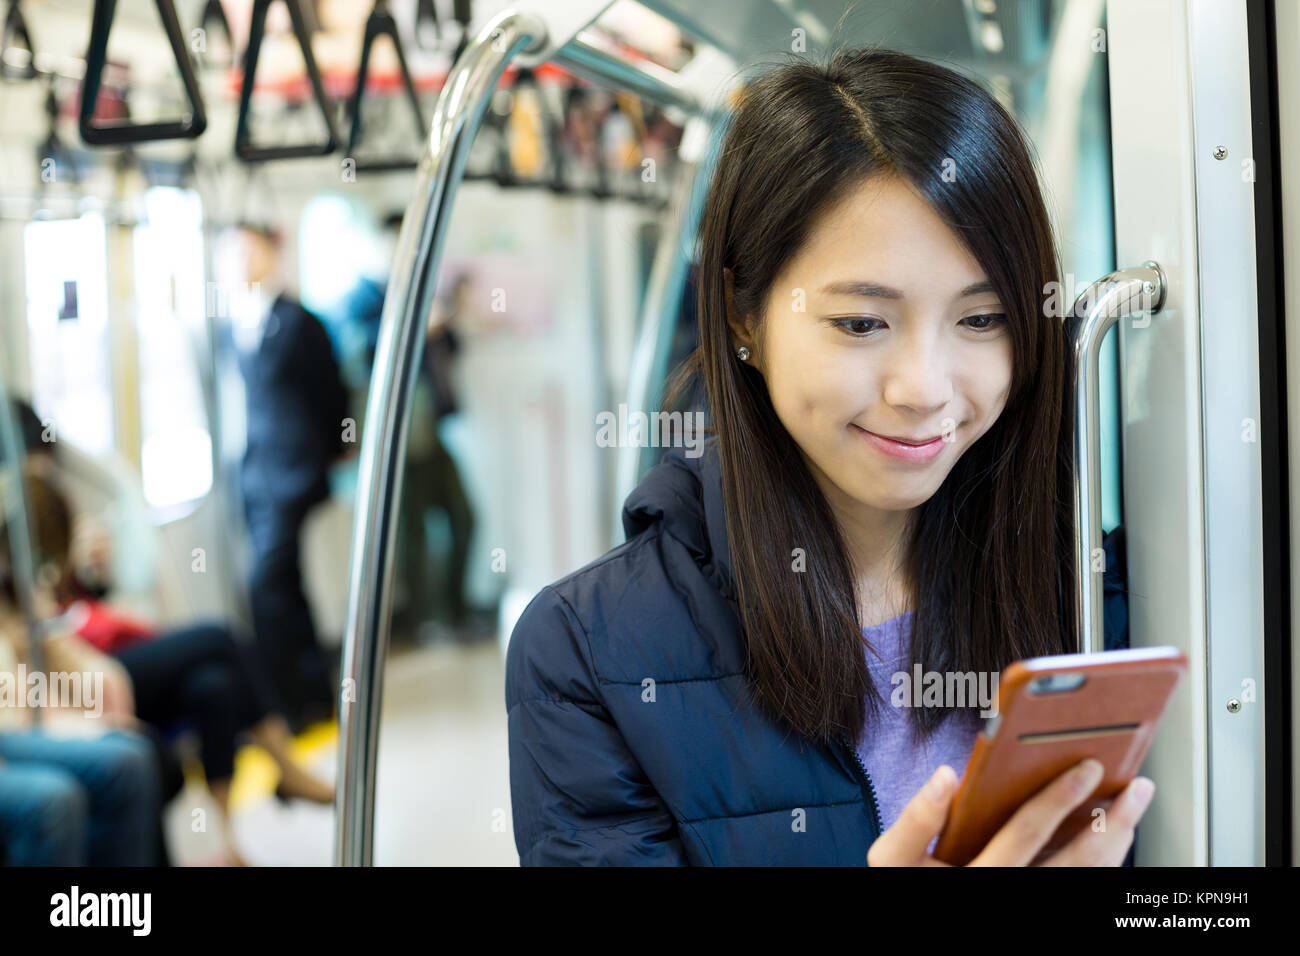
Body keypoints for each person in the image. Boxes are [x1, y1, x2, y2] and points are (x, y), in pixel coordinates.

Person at [505, 47, 1149, 866]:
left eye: (982, 320)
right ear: (745, 319)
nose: (924, 388)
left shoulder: (1097, 592)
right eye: (860, 323)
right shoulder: (591, 658)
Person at [0, 467, 160, 866]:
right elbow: (17, 709)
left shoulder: (28, 601)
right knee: (59, 798)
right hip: (18, 724)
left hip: (30, 711)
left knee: (135, 755)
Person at [229, 222, 350, 730]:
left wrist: (331, 453)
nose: (240, 262)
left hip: (294, 470)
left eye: (248, 251)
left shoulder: (301, 322)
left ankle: (283, 703)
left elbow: (333, 395)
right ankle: (310, 694)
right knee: (286, 586)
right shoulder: (240, 323)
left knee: (266, 585)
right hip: (258, 471)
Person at [337, 214, 476, 639]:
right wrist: (420, 327)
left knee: (464, 518)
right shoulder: (362, 300)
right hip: (395, 439)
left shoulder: (420, 291)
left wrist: (446, 319)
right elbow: (363, 358)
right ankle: (424, 622)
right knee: (411, 534)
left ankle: (455, 611)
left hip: (431, 432)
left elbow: (452, 347)